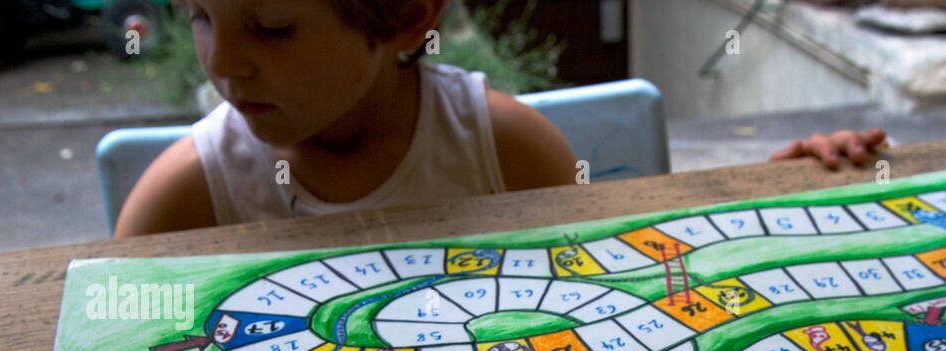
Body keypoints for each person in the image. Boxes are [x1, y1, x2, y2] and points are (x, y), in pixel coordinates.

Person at [115, 0, 886, 238]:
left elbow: (619, 284)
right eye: (201, 16)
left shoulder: (507, 151)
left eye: (274, 29)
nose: (221, 63)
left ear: (409, 17)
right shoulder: (178, 209)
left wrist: (774, 195)